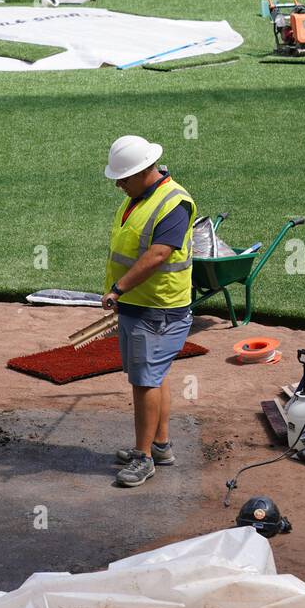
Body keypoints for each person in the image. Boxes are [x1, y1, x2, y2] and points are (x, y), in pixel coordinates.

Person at [100, 135, 196, 488]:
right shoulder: (141, 197)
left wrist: (118, 289)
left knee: (144, 382)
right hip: (139, 307)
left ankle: (143, 459)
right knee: (154, 377)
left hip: (158, 311)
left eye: (122, 178)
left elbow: (158, 255)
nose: (118, 184)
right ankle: (160, 446)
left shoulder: (174, 203)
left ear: (143, 171)